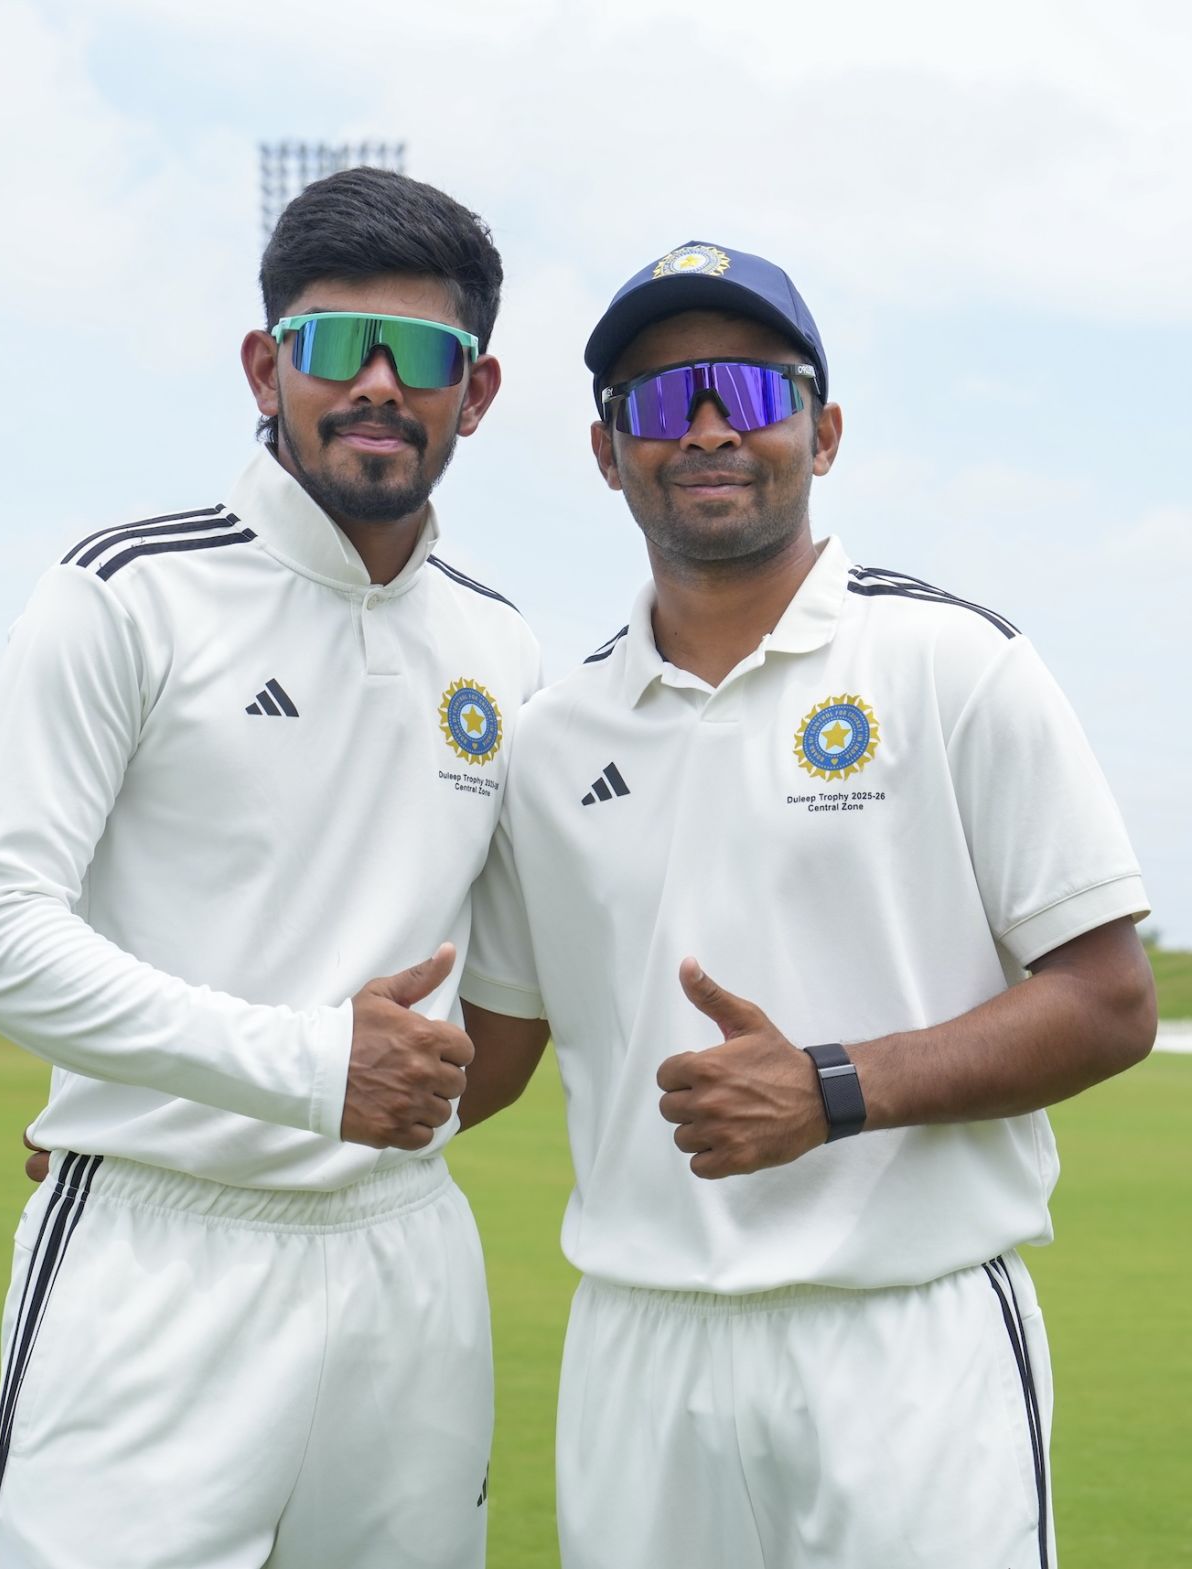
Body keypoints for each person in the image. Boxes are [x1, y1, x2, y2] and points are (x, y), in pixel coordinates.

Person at [457, 242, 1157, 1569]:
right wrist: (166, 1104)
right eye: (661, 402)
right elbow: (486, 1051)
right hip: (642, 1345)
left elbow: (1109, 1001)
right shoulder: (551, 740)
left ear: (821, 431)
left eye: (748, 390)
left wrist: (834, 1085)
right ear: (609, 456)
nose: (708, 425)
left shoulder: (953, 662)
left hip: (908, 1337)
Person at [0, 167, 539, 1569]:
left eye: (425, 356)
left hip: (405, 1261)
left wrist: (391, 1109)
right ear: (267, 368)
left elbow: (519, 988)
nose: (378, 384)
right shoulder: (126, 591)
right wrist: (292, 1070)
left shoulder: (502, 650)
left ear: (479, 391)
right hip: (156, 1251)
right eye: (334, 346)